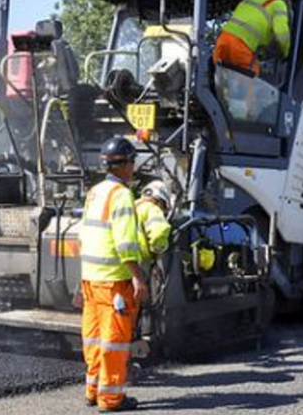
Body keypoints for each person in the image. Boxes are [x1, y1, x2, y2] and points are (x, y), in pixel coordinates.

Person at [79, 136, 148, 412]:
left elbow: (86, 234)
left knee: (93, 340)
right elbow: (125, 243)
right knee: (115, 343)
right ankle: (111, 400)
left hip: (91, 279)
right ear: (127, 165)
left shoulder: (95, 192)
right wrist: (138, 276)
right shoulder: (121, 195)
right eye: (133, 162)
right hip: (113, 282)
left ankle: (92, 391)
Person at [213, 0, 291, 77]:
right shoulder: (280, 4)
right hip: (241, 45)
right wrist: (286, 53)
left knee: (222, 77)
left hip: (223, 40)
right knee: (252, 76)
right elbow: (282, 32)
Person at [136, 180, 172, 266]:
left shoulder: (133, 206)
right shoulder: (152, 208)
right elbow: (158, 234)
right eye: (164, 207)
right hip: (140, 260)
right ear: (160, 201)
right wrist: (159, 251)